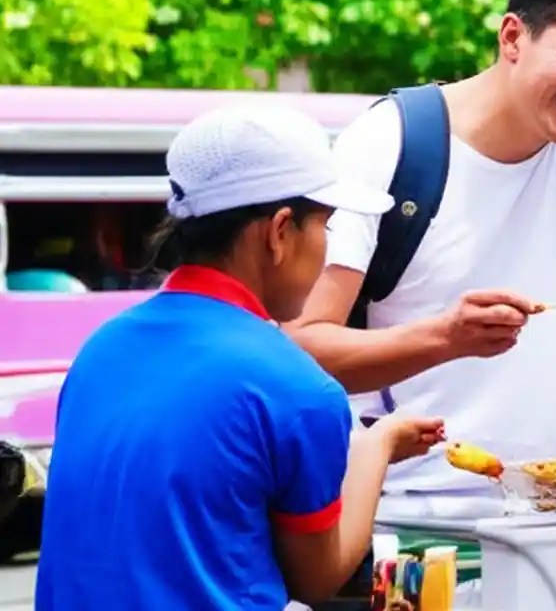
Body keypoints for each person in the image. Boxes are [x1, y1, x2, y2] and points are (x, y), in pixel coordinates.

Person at [287, 0, 556, 512]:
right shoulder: (392, 142)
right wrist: (446, 338)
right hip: (399, 521)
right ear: (513, 37)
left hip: (543, 520)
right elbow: (302, 344)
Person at [36, 105, 447, 610]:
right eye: (326, 226)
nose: (327, 248)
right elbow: (317, 578)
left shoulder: (102, 349)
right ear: (279, 232)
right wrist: (378, 446)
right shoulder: (294, 386)